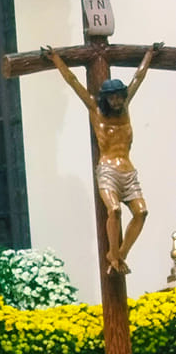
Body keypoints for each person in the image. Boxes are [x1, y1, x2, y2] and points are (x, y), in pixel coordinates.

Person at [43, 44, 160, 274]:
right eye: (113, 98)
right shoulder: (96, 111)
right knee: (114, 210)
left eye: (119, 97)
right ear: (106, 99)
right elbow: (74, 83)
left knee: (142, 212)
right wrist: (56, 58)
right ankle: (114, 256)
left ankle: (118, 254)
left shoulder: (125, 109)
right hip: (107, 170)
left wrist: (149, 55)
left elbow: (138, 78)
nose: (117, 102)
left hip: (128, 171)